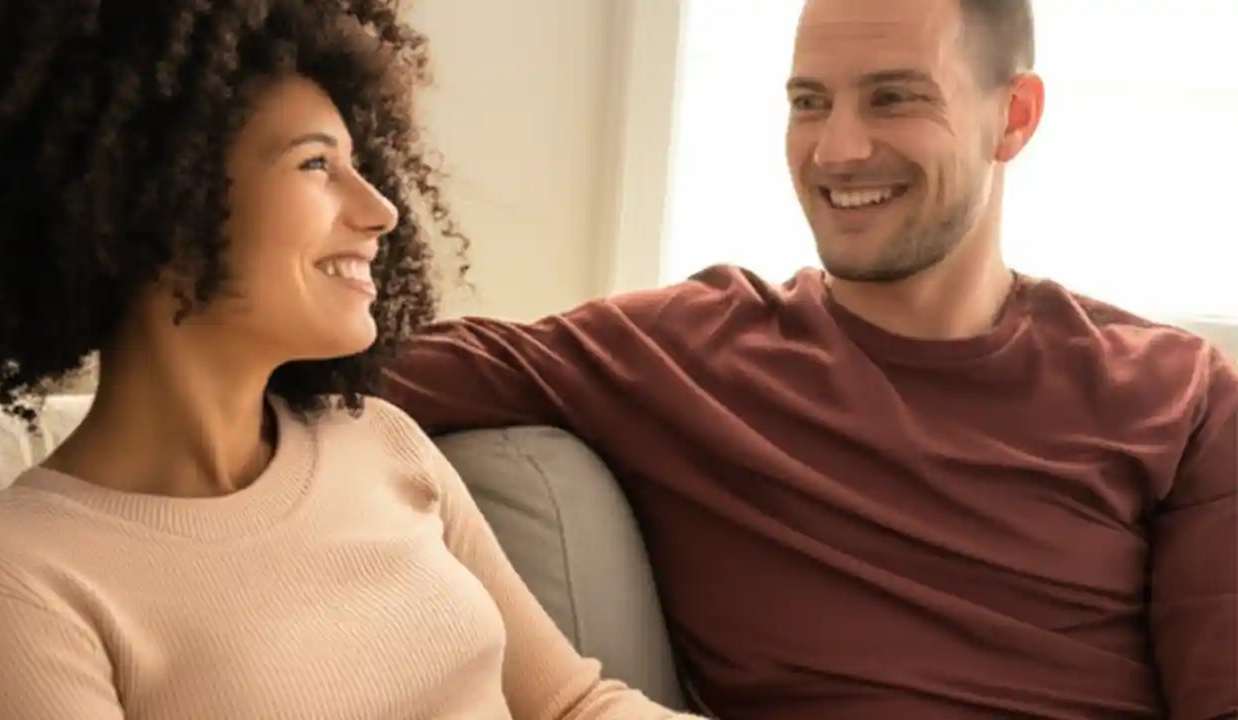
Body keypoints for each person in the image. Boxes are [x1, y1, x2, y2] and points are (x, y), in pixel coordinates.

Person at [381, 0, 1238, 718]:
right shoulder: (686, 353)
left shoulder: (1179, 398)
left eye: (895, 98)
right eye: (808, 102)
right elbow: (351, 369)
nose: (835, 151)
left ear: (1012, 118)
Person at [0, 2, 696, 718]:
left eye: (359, 163)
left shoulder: (382, 442)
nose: (381, 210)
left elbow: (572, 704)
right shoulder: (12, 582)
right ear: (153, 204)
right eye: (316, 162)